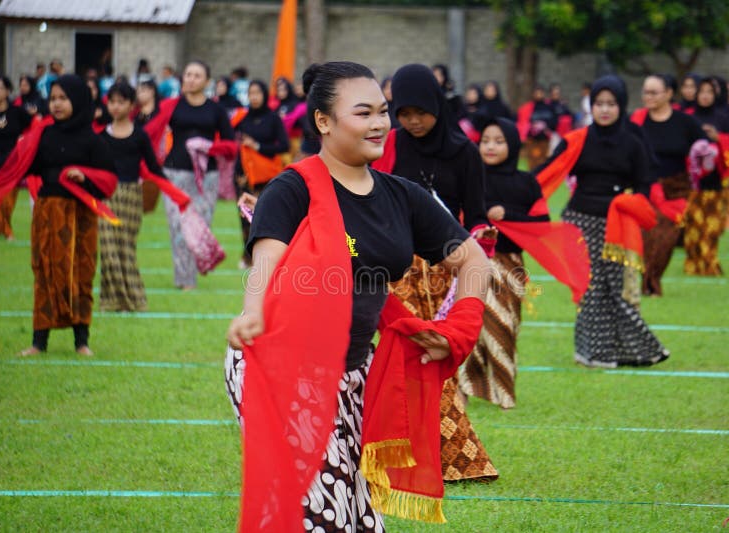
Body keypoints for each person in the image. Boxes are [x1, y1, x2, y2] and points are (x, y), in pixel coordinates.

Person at [225, 60, 490, 532]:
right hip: (282, 364)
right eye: (363, 113)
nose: (380, 124)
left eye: (383, 112)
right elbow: (267, 256)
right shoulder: (293, 188)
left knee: (358, 518)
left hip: (354, 371)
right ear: (323, 122)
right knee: (317, 515)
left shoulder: (401, 196)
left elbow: (473, 261)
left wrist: (459, 328)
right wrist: (252, 310)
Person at [374, 63, 498, 483]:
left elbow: (476, 215)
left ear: (436, 107)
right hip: (398, 267)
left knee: (438, 354)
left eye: (420, 113)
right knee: (412, 351)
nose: (412, 122)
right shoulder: (390, 145)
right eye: (403, 113)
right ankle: (416, 453)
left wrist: (483, 239)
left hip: (449, 266)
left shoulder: (463, 151)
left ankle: (446, 455)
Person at [538, 75, 669, 368]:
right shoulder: (578, 140)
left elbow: (645, 184)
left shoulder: (633, 141)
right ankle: (591, 352)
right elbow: (546, 173)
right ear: (591, 106)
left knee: (616, 287)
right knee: (591, 286)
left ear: (621, 106)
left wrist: (631, 203)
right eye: (599, 104)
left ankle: (635, 350)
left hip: (616, 225)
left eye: (611, 104)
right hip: (580, 222)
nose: (605, 110)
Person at [14, 75, 117, 355]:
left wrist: (85, 176)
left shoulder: (92, 140)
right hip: (47, 214)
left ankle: (81, 341)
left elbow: (109, 179)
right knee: (45, 272)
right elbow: (23, 166)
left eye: (63, 98)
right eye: (53, 98)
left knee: (80, 273)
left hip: (80, 217)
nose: (56, 104)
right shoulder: (42, 134)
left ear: (79, 100)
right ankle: (39, 342)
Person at [458, 117, 549, 409]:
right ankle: (465, 386)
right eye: (485, 140)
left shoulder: (526, 183)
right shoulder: (470, 175)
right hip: (473, 262)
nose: (490, 147)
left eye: (499, 141)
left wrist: (507, 213)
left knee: (505, 326)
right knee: (470, 323)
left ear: (512, 144)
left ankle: (503, 391)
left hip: (510, 265)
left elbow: (542, 223)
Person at [157, 60, 235, 289]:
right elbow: (151, 132)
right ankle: (184, 280)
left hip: (206, 177)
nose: (190, 79)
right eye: (188, 74)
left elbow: (231, 145)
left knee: (200, 226)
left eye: (196, 75)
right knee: (178, 227)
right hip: (175, 172)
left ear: (207, 81)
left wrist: (208, 147)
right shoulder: (170, 106)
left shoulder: (216, 109)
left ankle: (193, 272)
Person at [98, 82, 172, 311]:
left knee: (126, 247)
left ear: (131, 105)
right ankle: (111, 300)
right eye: (112, 101)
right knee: (108, 249)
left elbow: (153, 166)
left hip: (131, 196)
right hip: (106, 197)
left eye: (121, 101)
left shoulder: (139, 136)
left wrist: (172, 189)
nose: (116, 106)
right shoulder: (101, 136)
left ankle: (133, 298)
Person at [633, 74, 706, 296]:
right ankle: (649, 282)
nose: (649, 97)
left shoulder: (686, 123)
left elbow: (705, 149)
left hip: (676, 191)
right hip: (645, 188)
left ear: (668, 94)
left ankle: (651, 281)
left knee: (665, 239)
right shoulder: (637, 121)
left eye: (654, 92)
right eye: (646, 92)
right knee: (646, 239)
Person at [232, 79, 289, 267]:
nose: (254, 97)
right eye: (251, 93)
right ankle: (248, 255)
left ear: (264, 95)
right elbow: (239, 147)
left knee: (266, 216)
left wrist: (257, 146)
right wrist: (238, 172)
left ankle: (266, 256)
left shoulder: (273, 119)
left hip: (267, 177)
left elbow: (284, 146)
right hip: (245, 176)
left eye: (257, 93)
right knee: (244, 217)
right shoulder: (243, 118)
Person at [688, 76, 729, 276]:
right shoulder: (688, 118)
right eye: (702, 92)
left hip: (717, 183)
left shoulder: (723, 118)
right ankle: (693, 264)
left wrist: (719, 139)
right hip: (693, 184)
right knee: (694, 227)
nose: (706, 96)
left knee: (713, 228)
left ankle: (710, 263)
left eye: (710, 92)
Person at [0, 73, 33, 240]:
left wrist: (24, 147)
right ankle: (4, 231)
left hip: (12, 164)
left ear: (8, 91)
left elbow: (33, 129)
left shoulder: (18, 112)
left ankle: (4, 229)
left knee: (8, 201)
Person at [516, 84, 558, 169]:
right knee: (533, 160)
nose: (538, 95)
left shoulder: (549, 107)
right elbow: (523, 122)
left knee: (544, 160)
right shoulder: (528, 108)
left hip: (545, 138)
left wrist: (545, 127)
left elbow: (555, 121)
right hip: (532, 139)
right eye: (536, 93)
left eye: (540, 93)